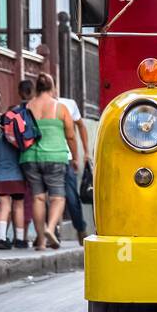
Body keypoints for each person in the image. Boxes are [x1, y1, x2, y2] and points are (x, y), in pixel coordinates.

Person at [19, 73, 78, 250]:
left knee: (38, 198)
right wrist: (75, 158)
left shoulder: (27, 107)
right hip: (55, 157)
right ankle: (51, 228)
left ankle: (41, 242)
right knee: (58, 198)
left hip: (30, 157)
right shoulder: (60, 108)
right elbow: (70, 136)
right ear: (52, 87)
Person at [0, 79, 34, 250]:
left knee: (4, 207)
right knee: (18, 207)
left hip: (0, 180)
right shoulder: (20, 145)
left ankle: (2, 238)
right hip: (18, 179)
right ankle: (20, 239)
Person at [57, 92, 93, 244]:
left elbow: (80, 126)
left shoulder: (68, 104)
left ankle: (80, 228)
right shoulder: (37, 104)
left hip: (66, 157)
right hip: (45, 157)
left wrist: (84, 152)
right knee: (49, 198)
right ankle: (53, 231)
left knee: (71, 197)